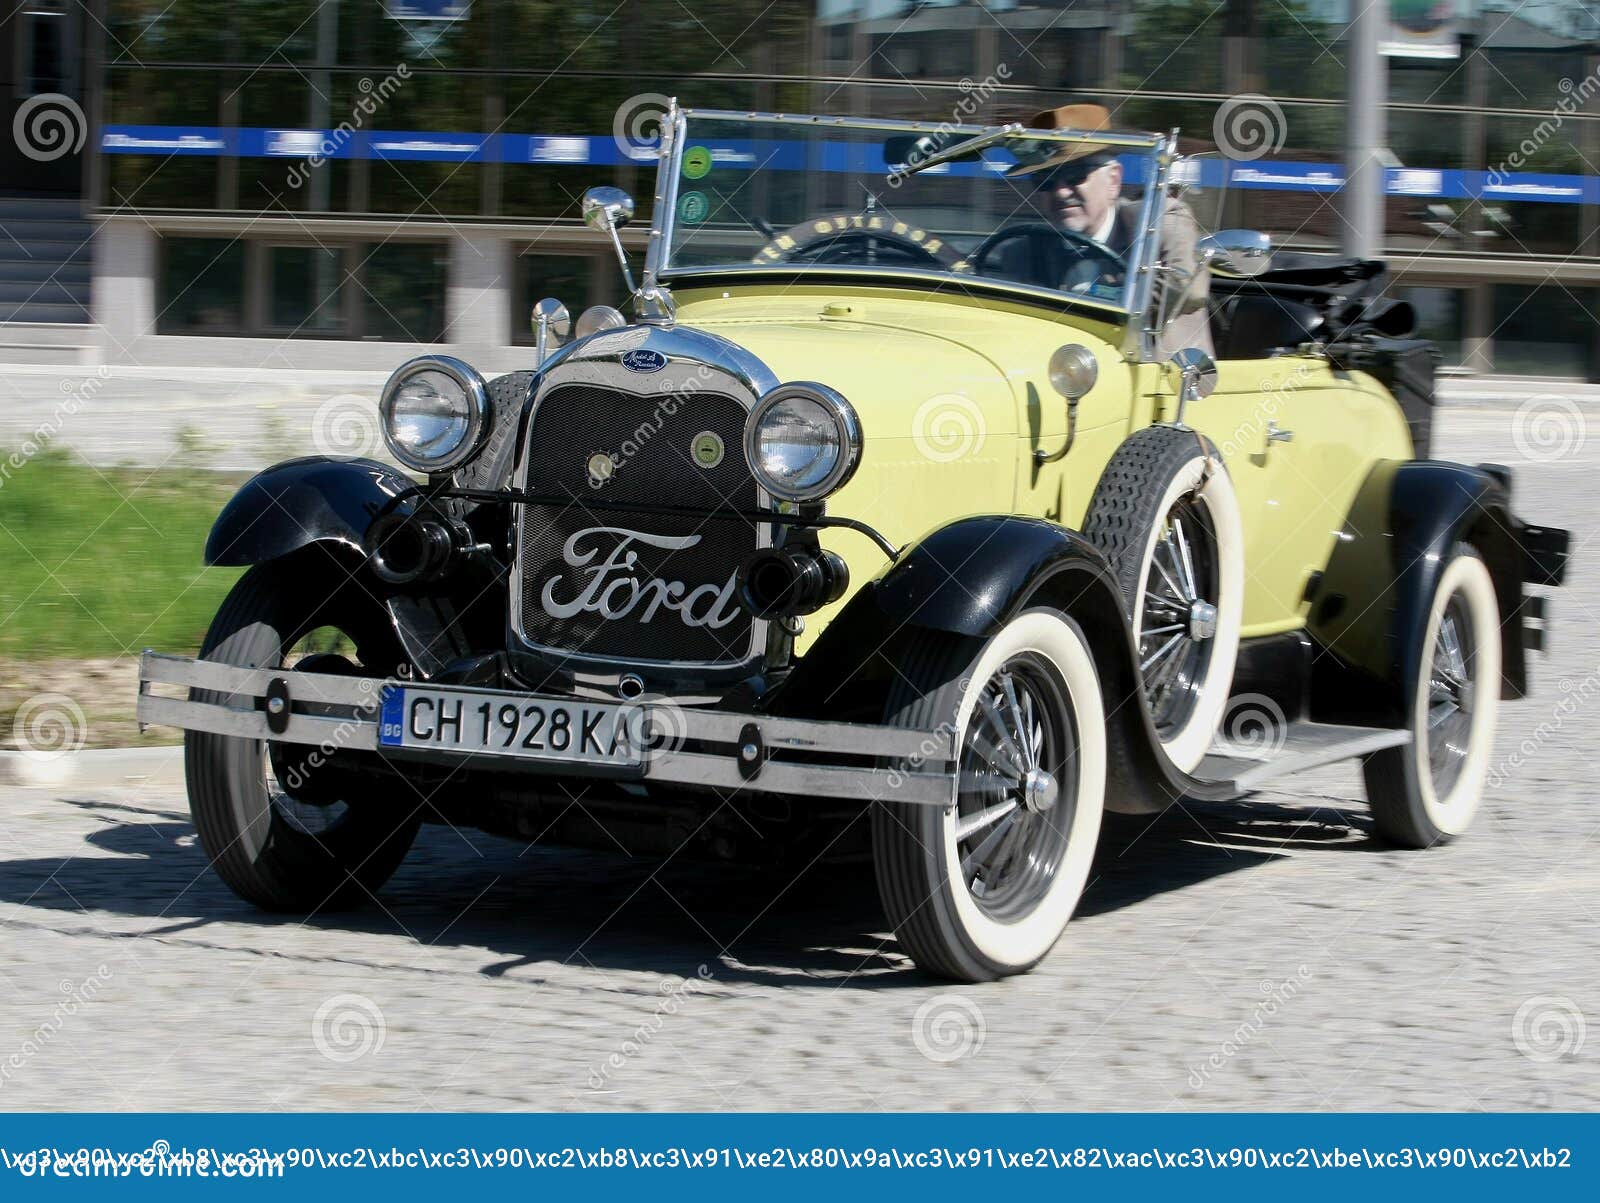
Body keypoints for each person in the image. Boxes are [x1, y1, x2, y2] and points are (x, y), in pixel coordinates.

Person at [1006, 104, 1213, 360]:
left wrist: (1094, 295)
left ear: (1113, 180)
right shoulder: (1027, 249)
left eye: (1075, 176)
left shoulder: (1160, 222)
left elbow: (1187, 288)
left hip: (1162, 387)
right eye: (1045, 180)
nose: (1060, 192)